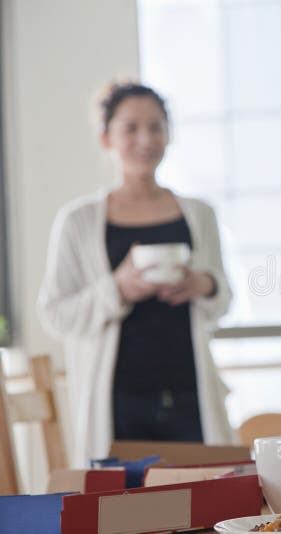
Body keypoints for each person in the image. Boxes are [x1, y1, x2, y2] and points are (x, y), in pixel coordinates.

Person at [39, 82, 234, 465]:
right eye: (131, 128)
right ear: (106, 137)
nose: (146, 139)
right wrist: (117, 289)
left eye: (156, 127)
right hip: (116, 404)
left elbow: (223, 299)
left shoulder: (199, 214)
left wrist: (203, 284)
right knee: (119, 499)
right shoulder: (77, 221)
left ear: (168, 134)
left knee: (205, 494)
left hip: (190, 396)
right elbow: (54, 314)